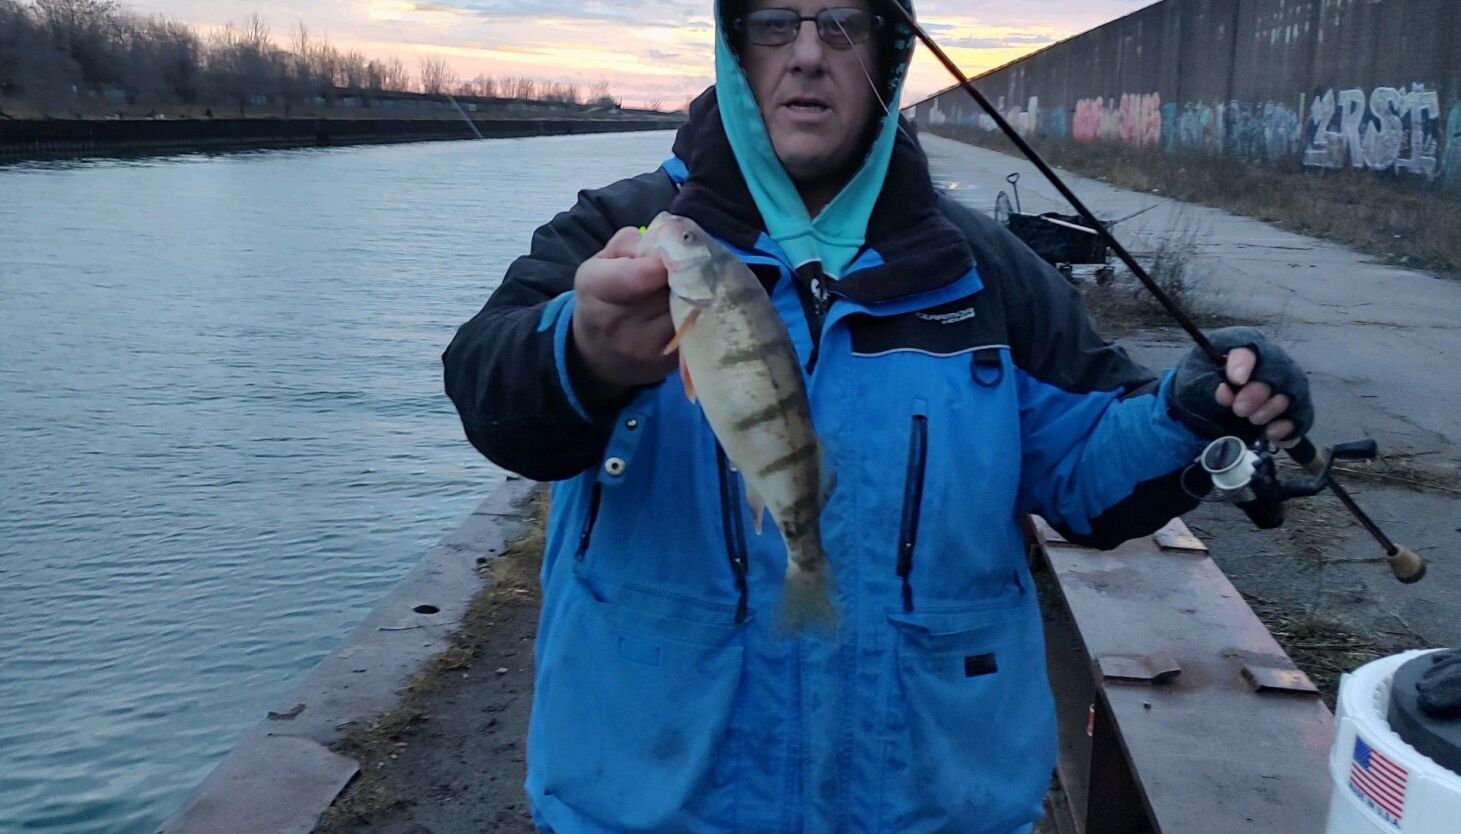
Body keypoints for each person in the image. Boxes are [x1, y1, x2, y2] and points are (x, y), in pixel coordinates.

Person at [442, 1, 1313, 831]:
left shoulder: (983, 271)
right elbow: (489, 395)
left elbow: (1087, 475)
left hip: (932, 804)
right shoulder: (624, 233)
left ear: (886, 55)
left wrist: (1190, 409)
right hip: (647, 801)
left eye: (842, 24)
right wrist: (582, 353)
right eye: (774, 23)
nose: (808, 52)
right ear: (734, 50)